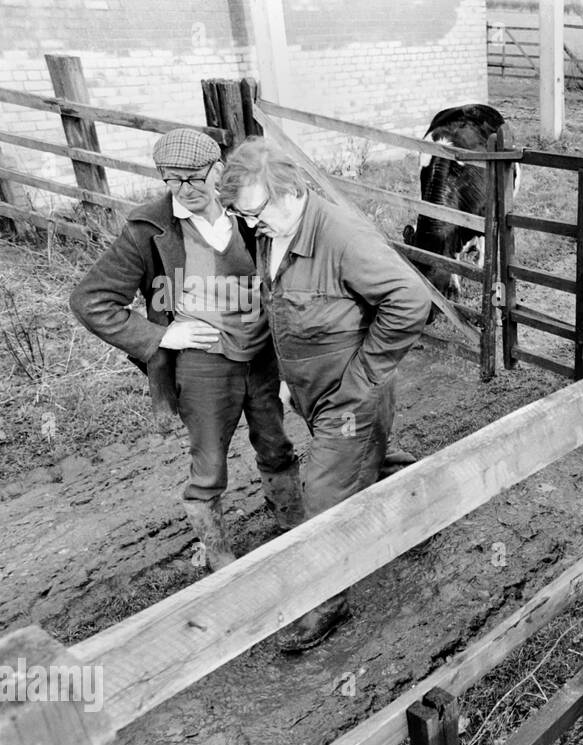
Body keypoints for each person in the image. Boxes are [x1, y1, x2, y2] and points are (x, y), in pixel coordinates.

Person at [218, 137, 433, 653]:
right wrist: (293, 379)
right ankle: (426, 506)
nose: (251, 225)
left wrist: (359, 384)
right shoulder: (276, 232)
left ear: (289, 189)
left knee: (323, 497)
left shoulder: (339, 234)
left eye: (256, 212)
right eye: (242, 216)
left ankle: (325, 601)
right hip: (316, 392)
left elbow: (410, 301)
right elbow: (294, 313)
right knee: (371, 461)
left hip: (349, 399)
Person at [70, 128, 301, 574]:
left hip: (262, 356)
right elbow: (90, 300)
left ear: (218, 169)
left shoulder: (247, 208)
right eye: (171, 180)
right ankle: (219, 555)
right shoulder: (149, 228)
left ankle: (292, 523)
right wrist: (160, 337)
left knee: (275, 444)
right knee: (209, 462)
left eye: (194, 178)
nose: (185, 191)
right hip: (204, 365)